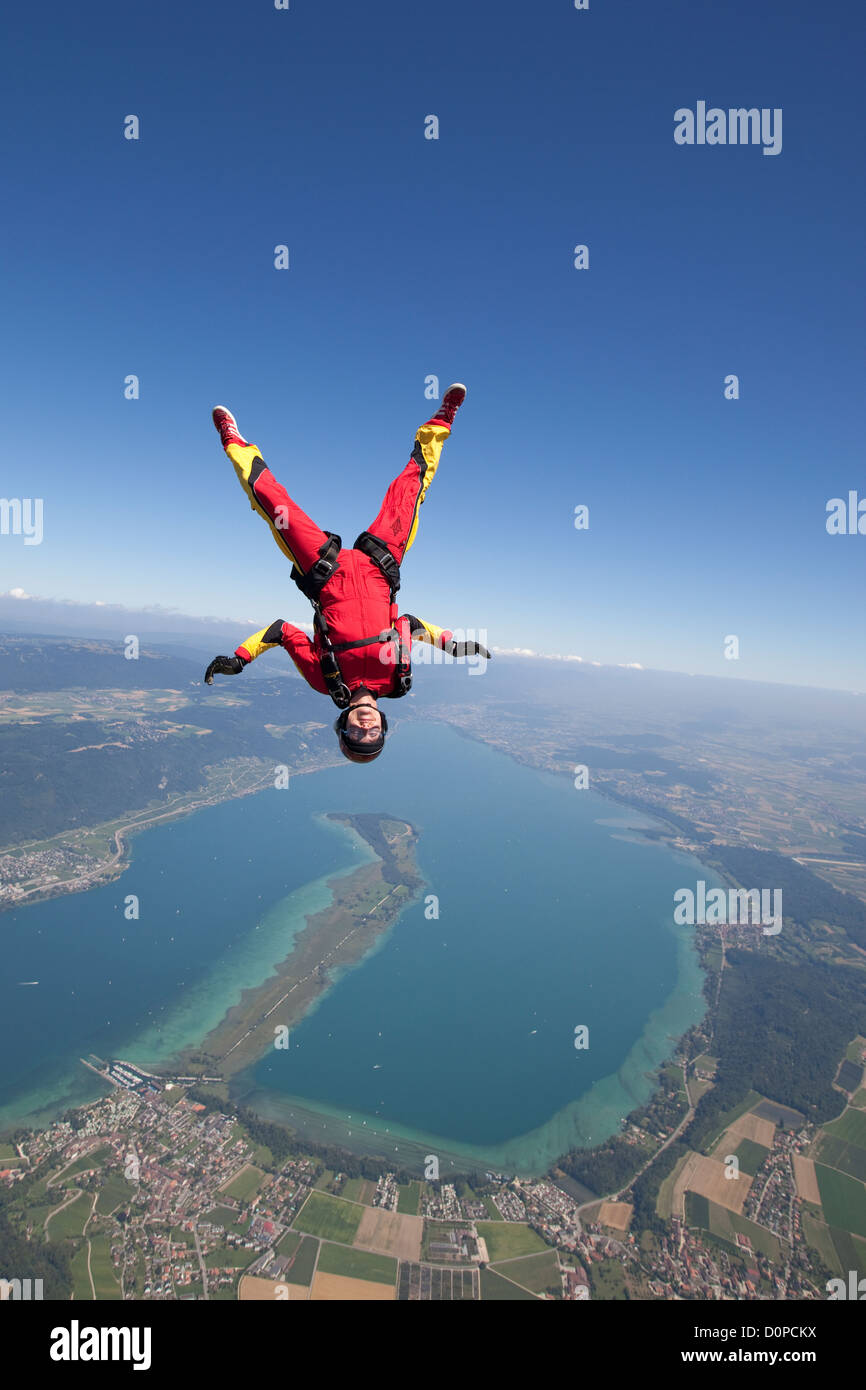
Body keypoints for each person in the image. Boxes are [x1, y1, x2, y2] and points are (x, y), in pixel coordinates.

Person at [205, 385, 490, 763]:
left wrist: (240, 659)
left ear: (343, 725)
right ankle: (440, 424)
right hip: (380, 568)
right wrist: (454, 646)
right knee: (410, 489)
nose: (365, 727)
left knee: (273, 503)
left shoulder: (325, 681)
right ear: (384, 725)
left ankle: (233, 442)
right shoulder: (397, 679)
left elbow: (281, 632)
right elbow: (409, 624)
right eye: (373, 734)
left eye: (357, 734)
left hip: (324, 573)